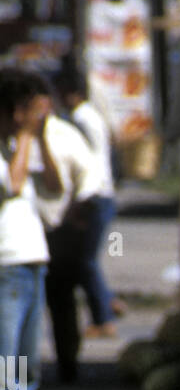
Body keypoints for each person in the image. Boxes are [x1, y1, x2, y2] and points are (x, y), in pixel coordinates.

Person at [0, 68, 76, 390]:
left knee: (25, 375)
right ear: (15, 111)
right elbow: (11, 187)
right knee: (3, 372)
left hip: (31, 264)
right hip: (5, 267)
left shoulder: (19, 147)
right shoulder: (7, 152)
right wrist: (27, 137)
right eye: (33, 114)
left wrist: (40, 138)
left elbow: (54, 188)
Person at [48, 66, 118, 355]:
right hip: (94, 195)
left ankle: (104, 315)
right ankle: (104, 308)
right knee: (81, 263)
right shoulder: (85, 117)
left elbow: (85, 163)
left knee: (84, 262)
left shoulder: (81, 119)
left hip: (92, 197)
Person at [33, 89, 101, 382]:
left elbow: (78, 179)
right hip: (14, 250)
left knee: (62, 301)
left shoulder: (64, 135)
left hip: (57, 232)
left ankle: (67, 363)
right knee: (17, 322)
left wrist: (78, 209)